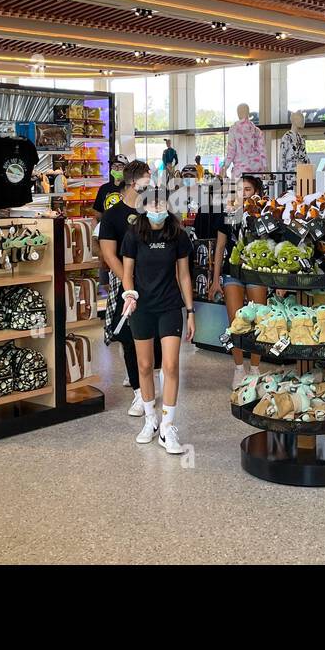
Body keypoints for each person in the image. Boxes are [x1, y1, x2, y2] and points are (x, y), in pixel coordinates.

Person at [120, 187, 194, 454]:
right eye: (152, 204)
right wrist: (129, 295)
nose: (157, 208)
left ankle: (167, 426)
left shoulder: (178, 235)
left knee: (171, 366)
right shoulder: (133, 234)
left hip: (170, 306)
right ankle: (150, 420)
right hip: (141, 306)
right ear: (144, 207)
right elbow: (127, 272)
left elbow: (184, 275)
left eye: (162, 203)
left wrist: (191, 310)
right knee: (144, 365)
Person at [97, 160, 162, 416]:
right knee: (127, 336)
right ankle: (138, 391)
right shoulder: (112, 216)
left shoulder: (153, 211)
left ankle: (152, 383)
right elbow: (109, 253)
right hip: (125, 284)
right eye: (147, 179)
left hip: (155, 282)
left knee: (154, 333)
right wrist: (127, 281)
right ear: (133, 182)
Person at [209, 175, 269, 385]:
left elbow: (270, 247)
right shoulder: (227, 215)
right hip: (231, 273)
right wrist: (215, 279)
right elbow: (219, 248)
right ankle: (238, 369)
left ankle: (254, 368)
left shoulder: (264, 214)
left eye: (248, 189)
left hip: (256, 273)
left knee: (258, 321)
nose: (243, 194)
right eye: (239, 190)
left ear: (257, 192)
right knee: (236, 323)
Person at [91, 154, 128, 219]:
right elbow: (97, 210)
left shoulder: (130, 188)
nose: (116, 169)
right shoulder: (104, 188)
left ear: (126, 169)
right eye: (114, 166)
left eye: (120, 166)